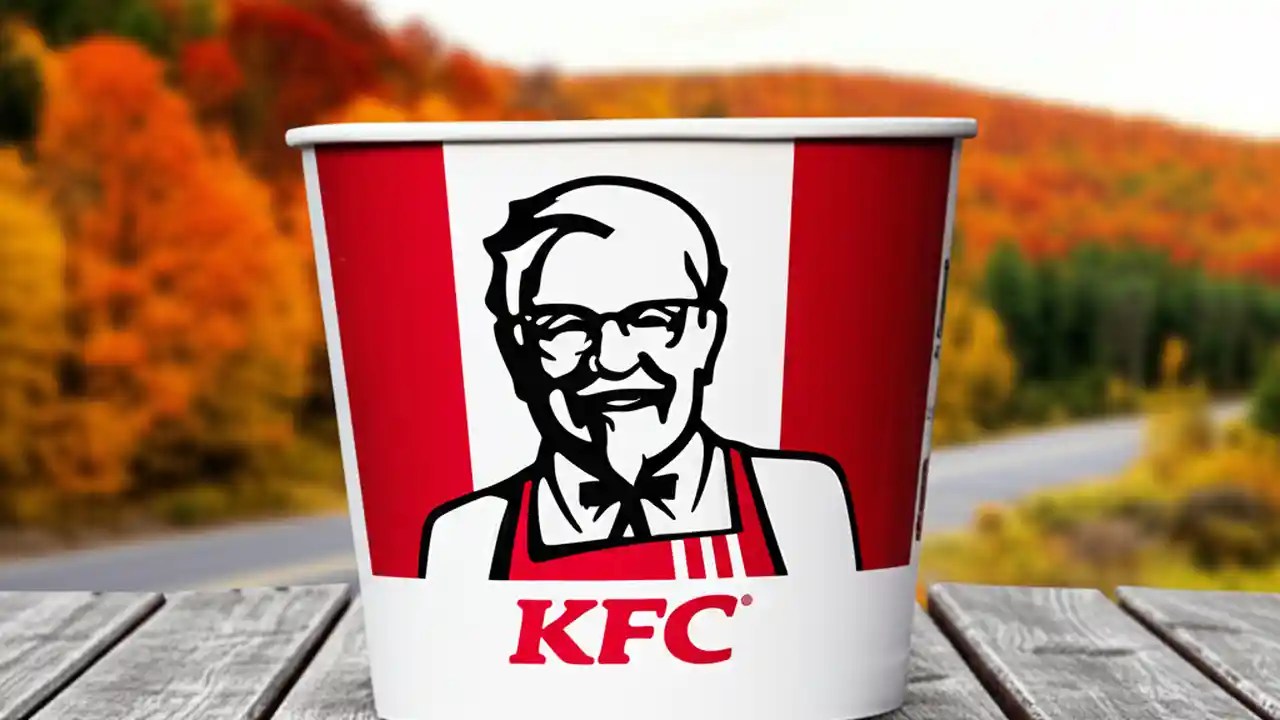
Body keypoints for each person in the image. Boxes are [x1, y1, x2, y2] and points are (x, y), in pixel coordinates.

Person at [419, 175, 860, 581]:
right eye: (565, 325)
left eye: (653, 318)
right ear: (517, 353)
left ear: (707, 335)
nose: (613, 360)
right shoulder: (470, 537)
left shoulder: (795, 500)